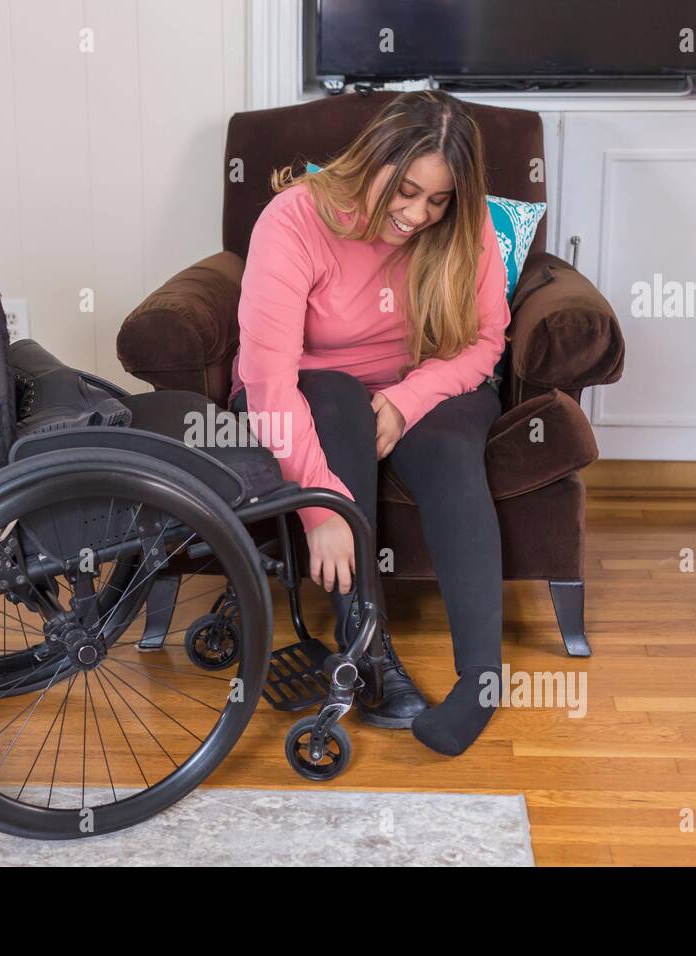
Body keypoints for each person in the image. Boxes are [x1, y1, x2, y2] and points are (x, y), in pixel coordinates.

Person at [228, 91, 509, 756]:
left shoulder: (466, 227)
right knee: (335, 400)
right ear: (373, 159)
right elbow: (269, 379)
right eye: (406, 190)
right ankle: (366, 646)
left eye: (437, 201)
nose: (417, 215)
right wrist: (322, 510)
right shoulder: (294, 218)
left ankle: (482, 681)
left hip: (420, 384)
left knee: (447, 449)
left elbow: (484, 341)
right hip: (308, 394)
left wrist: (410, 399)